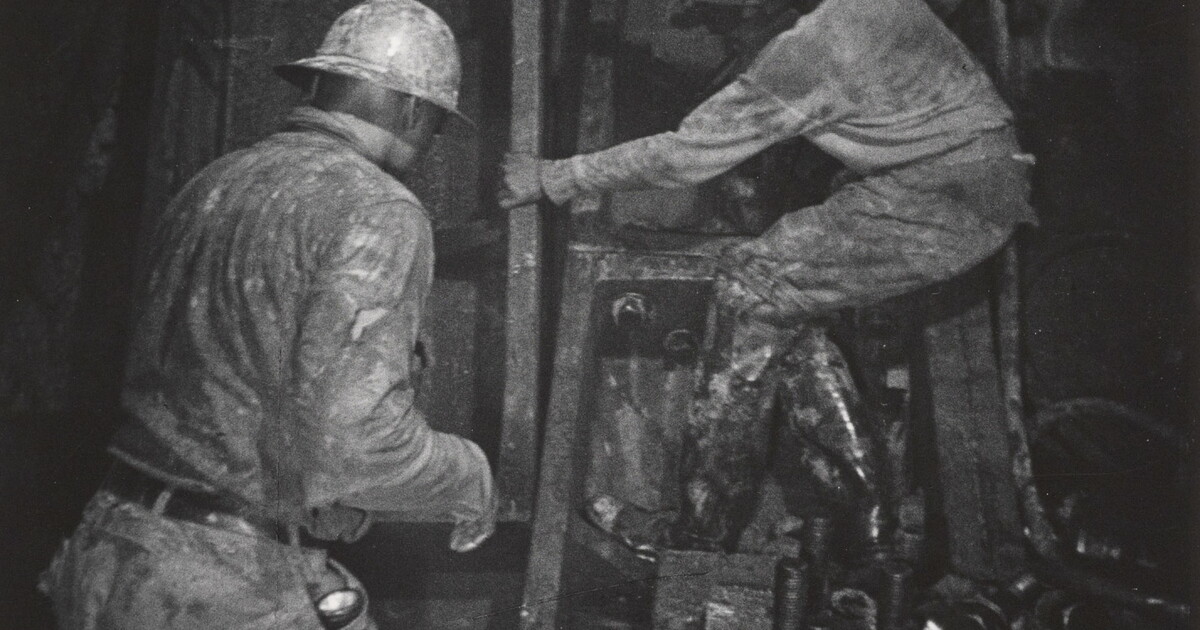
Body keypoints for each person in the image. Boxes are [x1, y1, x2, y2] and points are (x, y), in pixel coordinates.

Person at [501, 0, 1036, 555]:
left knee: (750, 289)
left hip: (942, 202)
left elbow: (684, 158)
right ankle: (868, 511)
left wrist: (553, 177)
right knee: (782, 302)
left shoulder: (813, 49)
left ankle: (699, 535)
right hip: (972, 183)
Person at [38, 1, 497, 628]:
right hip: (218, 584)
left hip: (109, 551)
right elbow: (353, 444)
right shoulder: (379, 208)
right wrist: (467, 476)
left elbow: (223, 390)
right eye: (437, 122)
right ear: (415, 109)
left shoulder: (214, 182)